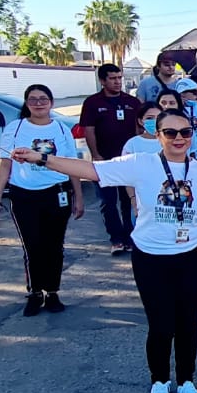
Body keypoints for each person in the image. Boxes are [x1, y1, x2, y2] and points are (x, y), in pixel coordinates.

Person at [12, 108, 197, 393]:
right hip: (150, 257)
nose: (179, 138)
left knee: (188, 323)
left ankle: (187, 380)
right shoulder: (141, 164)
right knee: (161, 324)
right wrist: (42, 159)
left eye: (186, 132)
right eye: (170, 133)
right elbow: (91, 170)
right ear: (158, 135)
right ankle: (160, 381)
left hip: (188, 256)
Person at [0, 85, 85, 316]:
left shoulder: (62, 129)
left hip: (57, 194)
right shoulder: (16, 128)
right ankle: (35, 293)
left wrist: (78, 198)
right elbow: (5, 164)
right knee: (32, 246)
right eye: (33, 99)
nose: (39, 103)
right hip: (24, 195)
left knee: (54, 246)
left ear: (51, 102)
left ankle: (52, 292)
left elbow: (72, 165)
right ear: (26, 103)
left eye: (43, 99)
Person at [82, 64, 141, 255]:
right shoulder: (92, 103)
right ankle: (116, 239)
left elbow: (139, 129)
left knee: (128, 200)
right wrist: (96, 154)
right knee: (108, 202)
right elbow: (88, 130)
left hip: (128, 161)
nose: (117, 82)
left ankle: (130, 237)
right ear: (102, 80)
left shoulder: (132, 102)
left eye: (119, 78)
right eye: (112, 78)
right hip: (104, 161)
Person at [121, 103, 164, 215]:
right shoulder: (132, 144)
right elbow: (127, 176)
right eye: (150, 118)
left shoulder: (171, 142)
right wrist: (133, 200)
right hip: (142, 203)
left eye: (158, 117)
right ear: (141, 121)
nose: (154, 121)